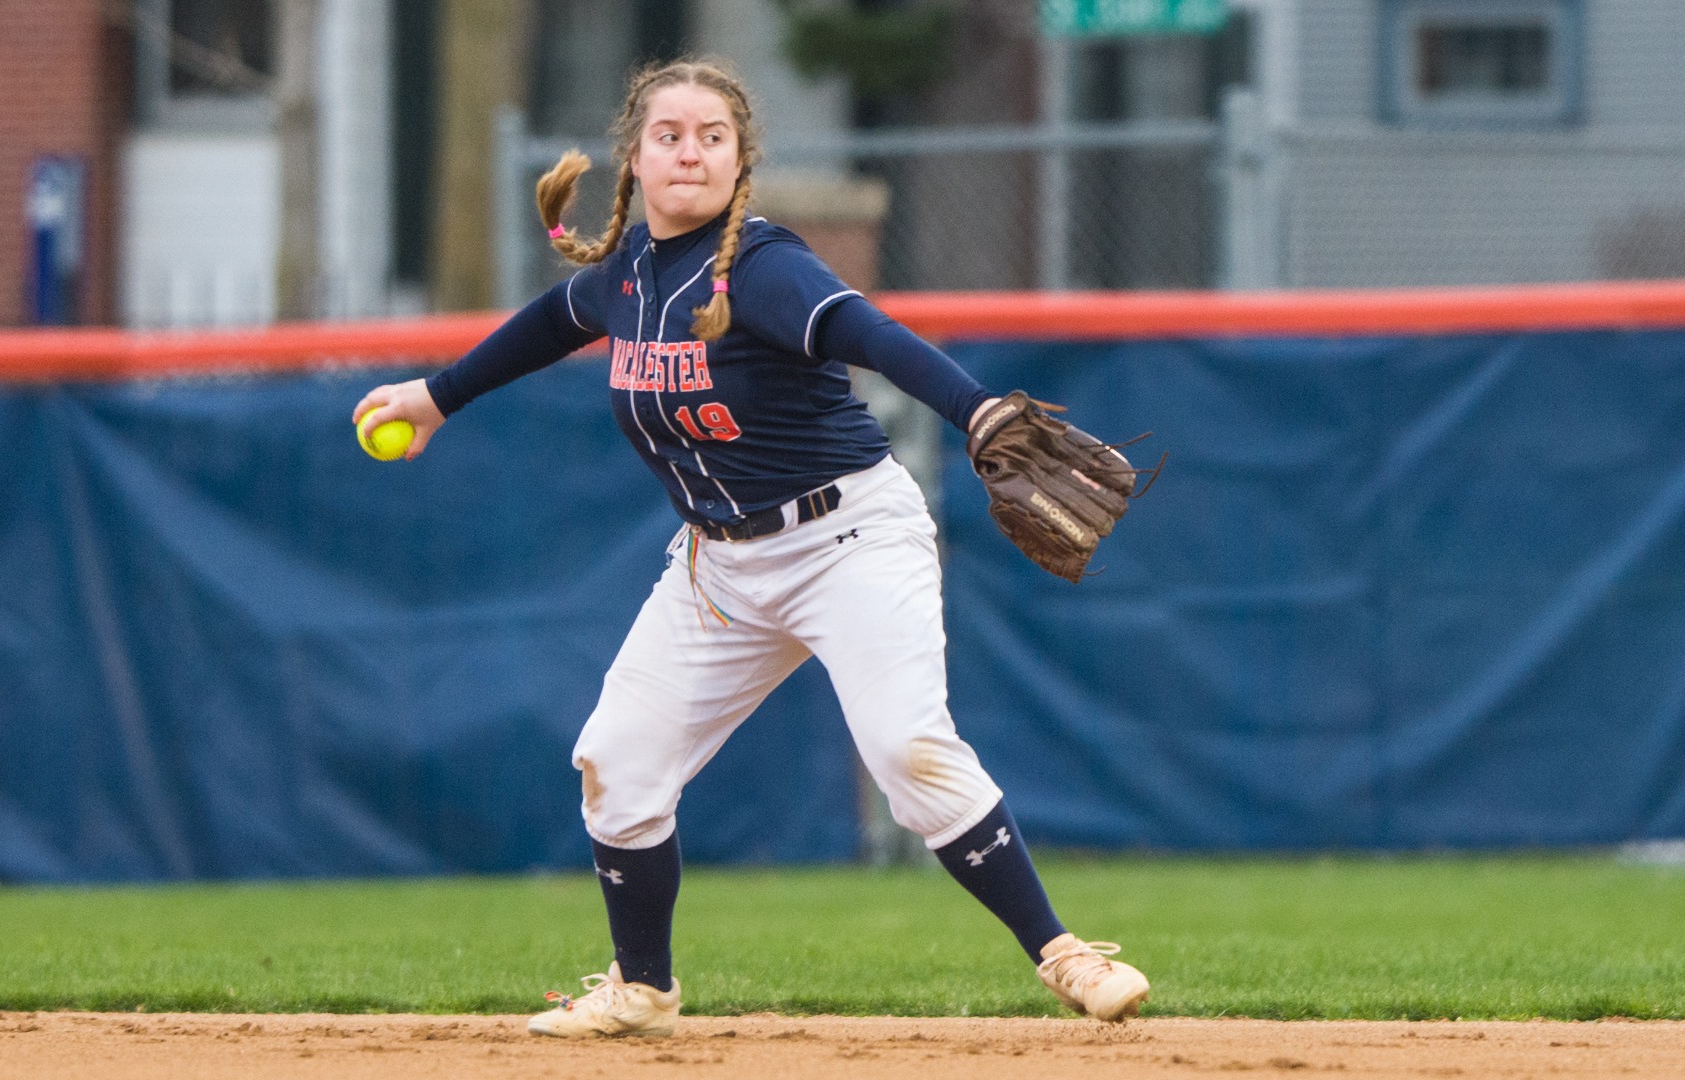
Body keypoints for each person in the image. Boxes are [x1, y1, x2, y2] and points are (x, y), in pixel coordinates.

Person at [352, 57, 1150, 1038]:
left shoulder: (760, 269)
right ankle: (642, 987)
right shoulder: (624, 278)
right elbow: (543, 326)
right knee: (617, 761)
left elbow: (867, 332)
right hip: (721, 566)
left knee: (908, 749)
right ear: (634, 159)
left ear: (739, 162)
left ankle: (1063, 955)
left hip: (848, 540)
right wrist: (436, 398)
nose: (689, 151)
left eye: (712, 137)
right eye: (669, 135)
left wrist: (975, 407)